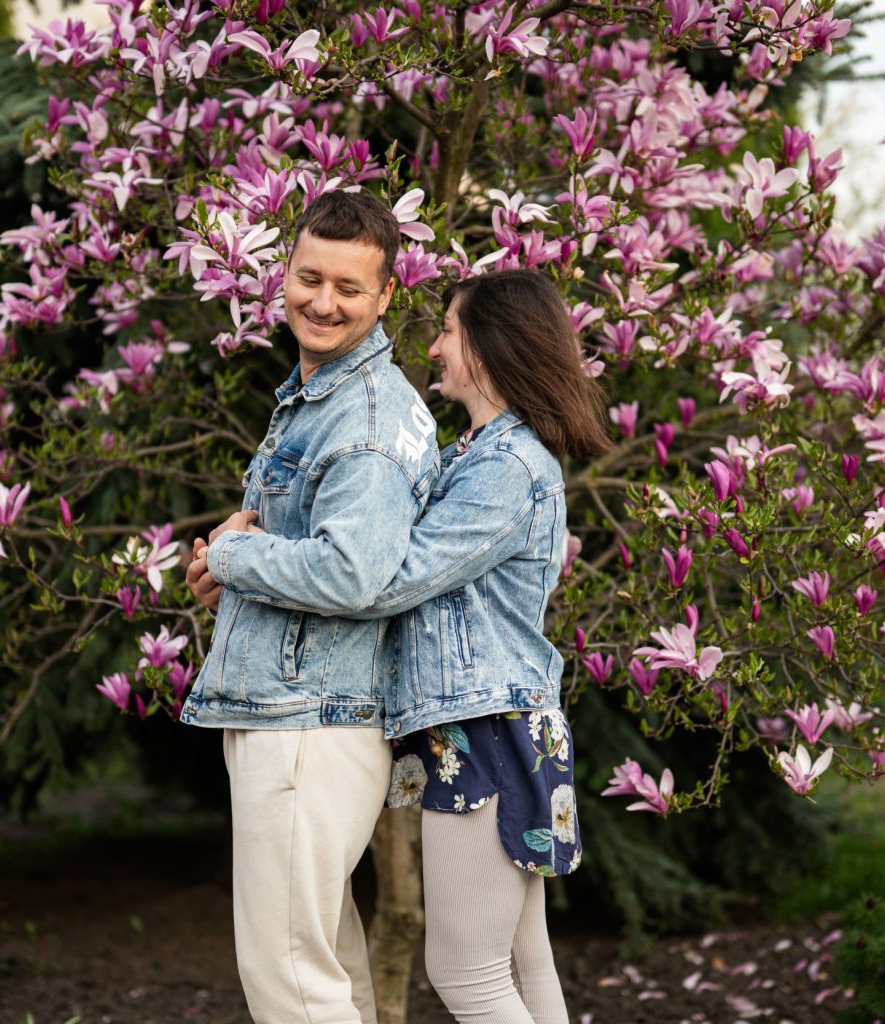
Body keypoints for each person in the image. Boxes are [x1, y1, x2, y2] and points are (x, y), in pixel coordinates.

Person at [199, 269, 612, 1022]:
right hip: (500, 723)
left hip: (485, 731)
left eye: (450, 330)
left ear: (489, 348)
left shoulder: (506, 468)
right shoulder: (483, 455)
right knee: (526, 959)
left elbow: (387, 581)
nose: (436, 346)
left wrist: (235, 558)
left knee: (469, 974)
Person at [179, 188, 440, 1024]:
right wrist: (228, 568)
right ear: (282, 274)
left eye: (349, 288)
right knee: (326, 969)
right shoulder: (320, 391)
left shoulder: (361, 416)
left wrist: (233, 552)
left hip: (305, 724)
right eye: (307, 277)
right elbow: (297, 547)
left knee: (292, 982)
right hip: (307, 713)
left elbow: (352, 572)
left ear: (387, 294)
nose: (322, 302)